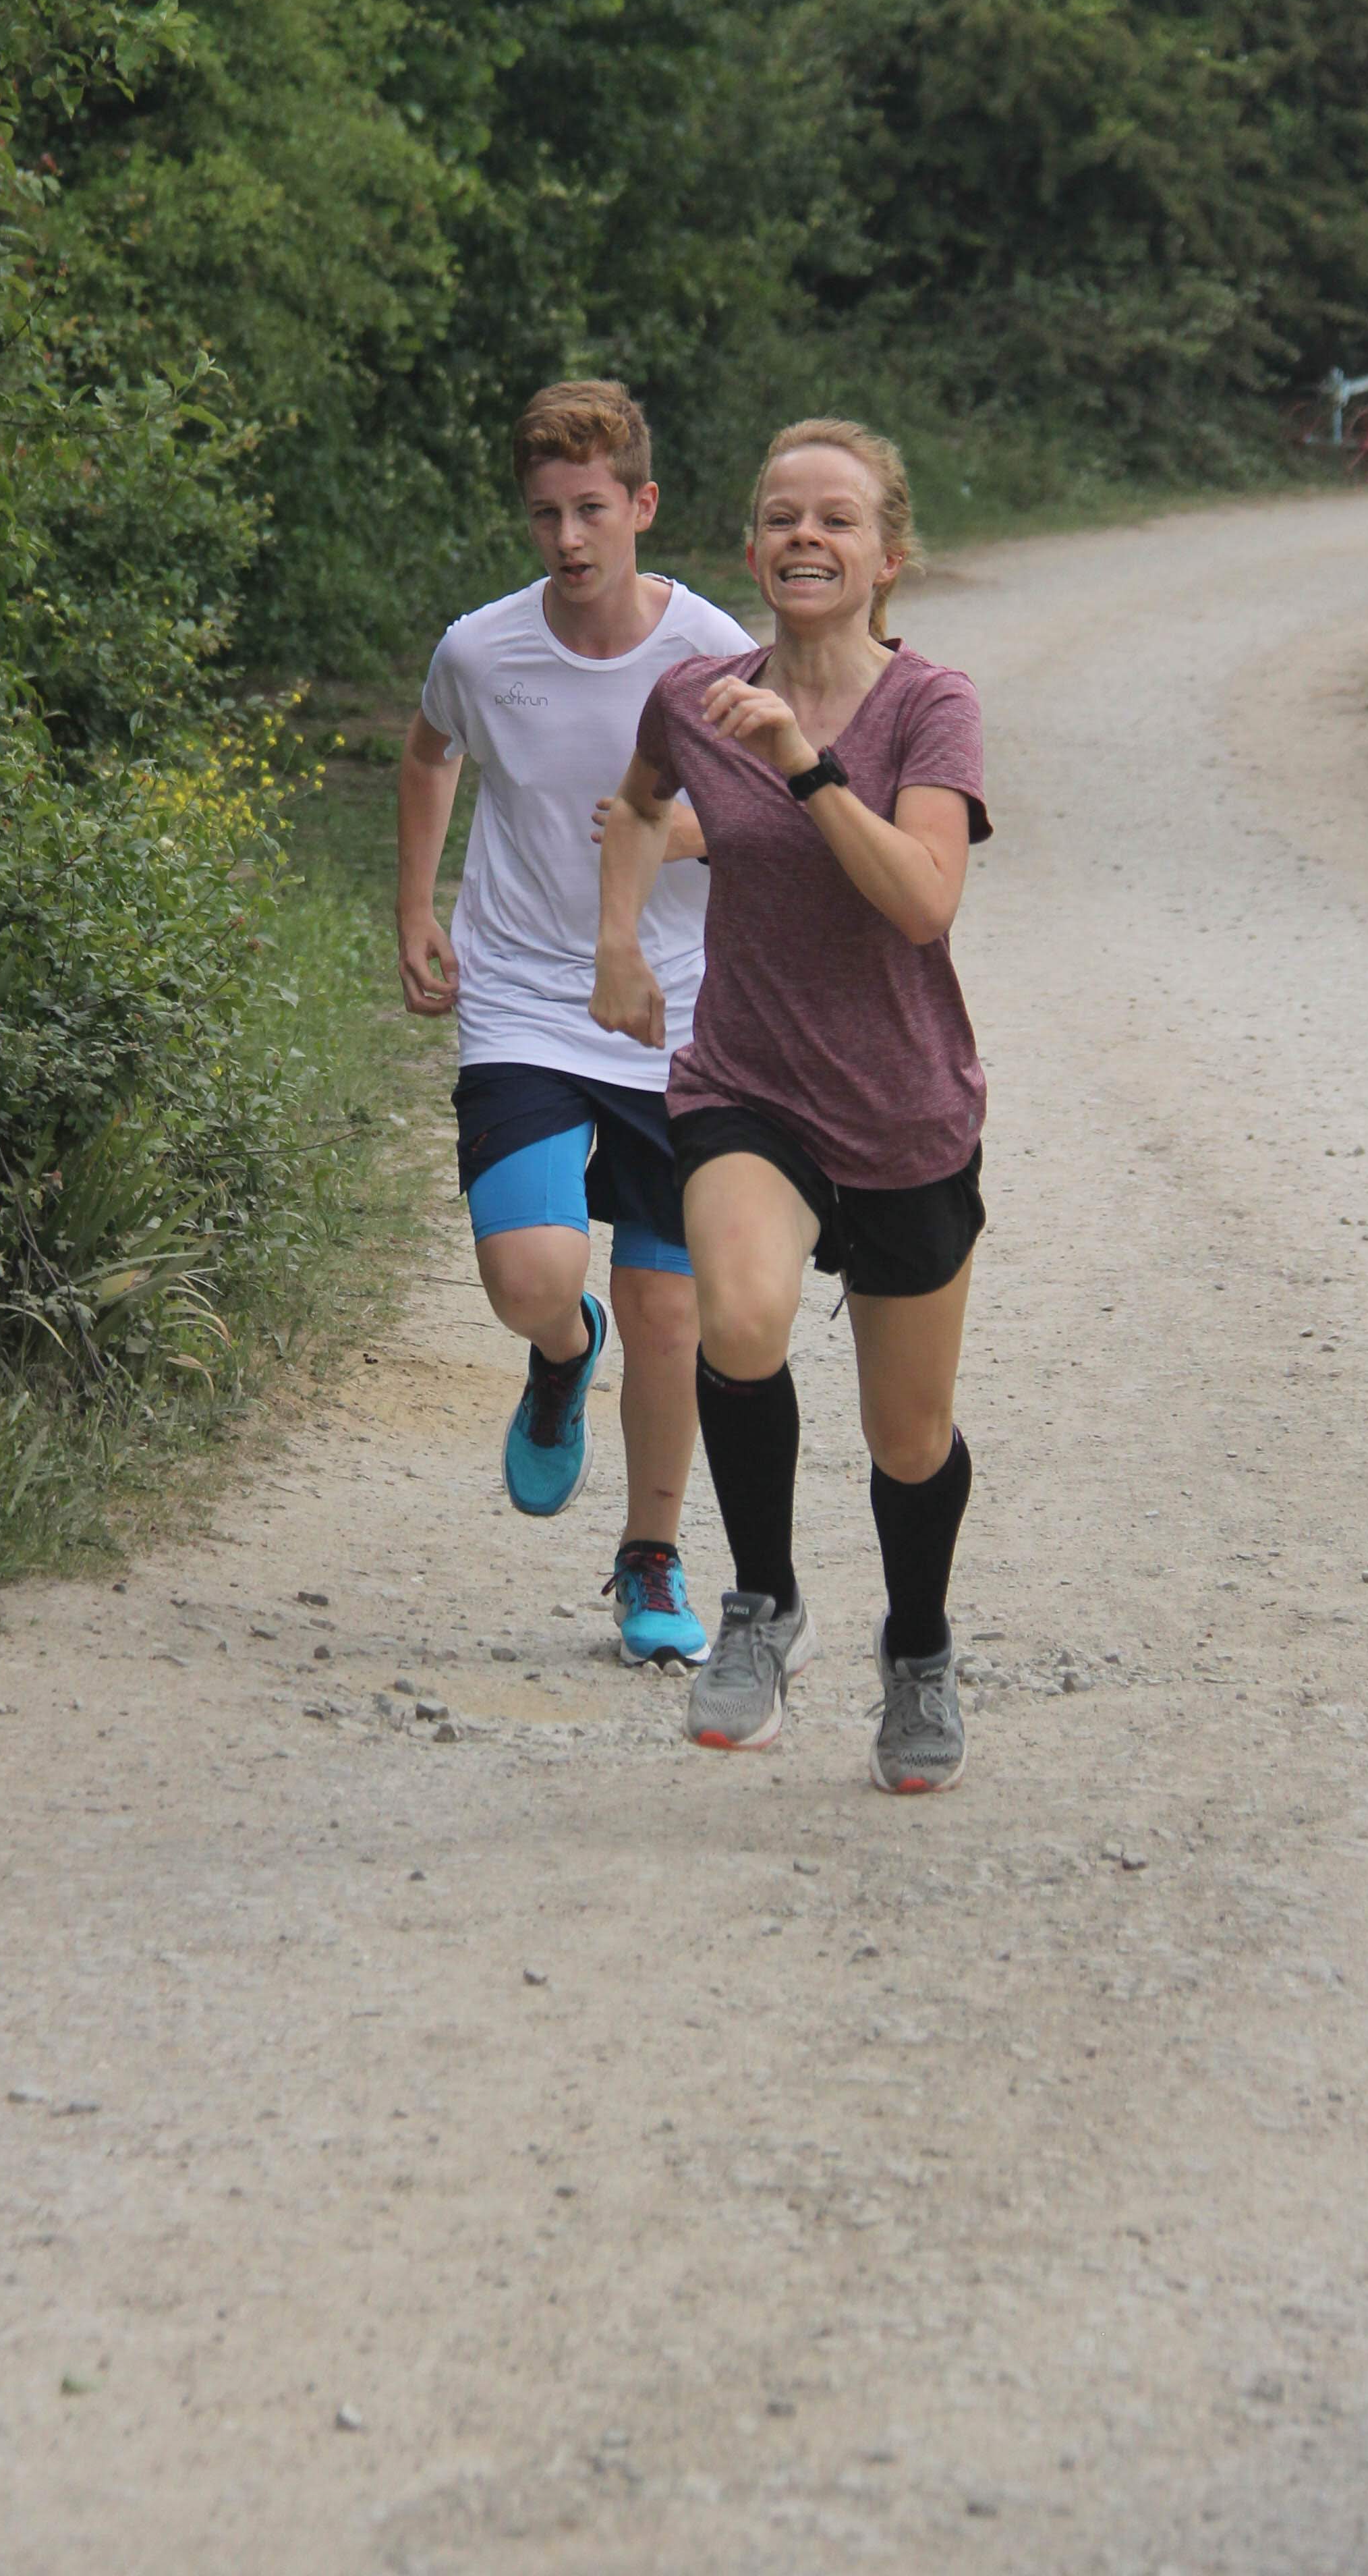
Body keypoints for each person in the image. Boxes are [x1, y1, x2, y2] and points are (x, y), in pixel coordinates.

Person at [590, 417, 990, 1789]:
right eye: (780, 516)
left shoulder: (928, 705)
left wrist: (802, 765)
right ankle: (761, 1605)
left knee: (907, 1438)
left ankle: (917, 1648)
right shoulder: (693, 695)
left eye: (834, 519)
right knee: (740, 1316)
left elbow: (920, 900)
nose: (803, 537)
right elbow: (638, 804)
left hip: (902, 1112)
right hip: (745, 1083)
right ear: (752, 547)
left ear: (886, 556)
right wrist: (618, 945)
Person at [396, 380, 756, 1664]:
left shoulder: (712, 654)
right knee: (531, 1278)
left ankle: (651, 1558)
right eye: (545, 514)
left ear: (642, 505)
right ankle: (561, 1355)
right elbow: (429, 753)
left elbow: (767, 816)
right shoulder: (481, 650)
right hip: (520, 997)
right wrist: (415, 906)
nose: (568, 538)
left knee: (671, 1316)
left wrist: (665, 832)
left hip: (678, 1011)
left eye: (592, 509)